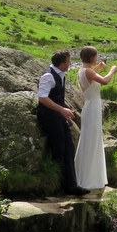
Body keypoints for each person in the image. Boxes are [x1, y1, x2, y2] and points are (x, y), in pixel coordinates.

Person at [37, 49, 88, 196]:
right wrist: (62, 109)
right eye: (68, 61)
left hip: (57, 114)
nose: (70, 63)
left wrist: (64, 110)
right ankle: (58, 183)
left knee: (69, 147)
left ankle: (71, 185)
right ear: (61, 64)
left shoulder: (60, 74)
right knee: (59, 148)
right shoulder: (48, 76)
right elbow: (42, 98)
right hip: (48, 116)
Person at [74, 46, 117, 190]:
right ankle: (90, 178)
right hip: (93, 107)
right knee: (92, 140)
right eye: (96, 56)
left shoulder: (82, 70)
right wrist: (112, 70)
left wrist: (98, 67)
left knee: (90, 139)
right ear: (92, 57)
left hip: (89, 105)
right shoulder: (88, 71)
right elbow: (104, 81)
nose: (97, 58)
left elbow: (91, 79)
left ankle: (86, 174)